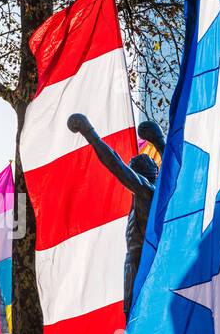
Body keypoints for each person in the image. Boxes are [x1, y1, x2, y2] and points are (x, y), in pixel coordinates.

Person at [66, 114, 165, 313]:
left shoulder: (146, 190)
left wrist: (90, 134)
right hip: (142, 263)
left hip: (141, 265)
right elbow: (173, 172)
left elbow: (115, 164)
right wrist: (158, 141)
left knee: (137, 316)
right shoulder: (156, 194)